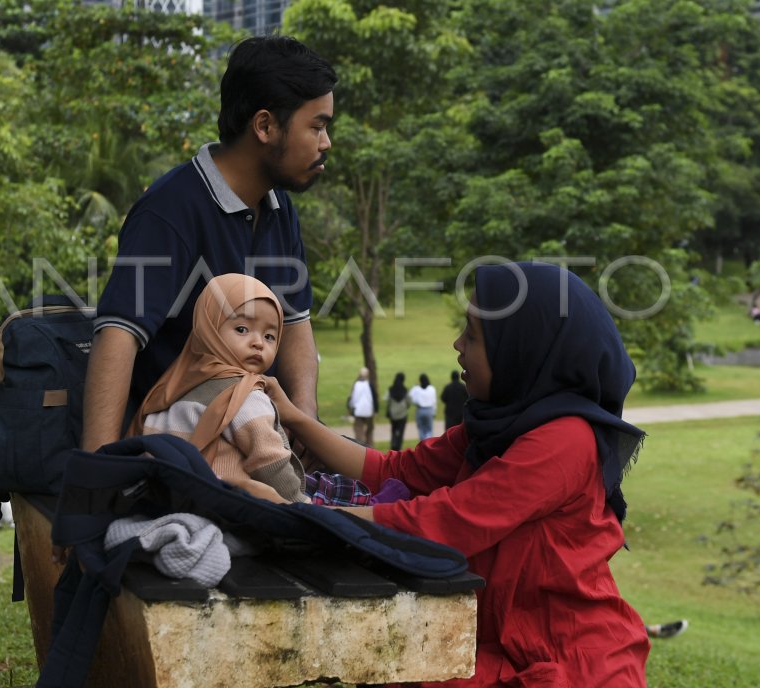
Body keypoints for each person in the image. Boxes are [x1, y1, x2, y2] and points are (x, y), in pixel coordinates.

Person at [263, 262, 650, 686]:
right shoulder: (497, 426)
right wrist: (294, 417)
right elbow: (396, 470)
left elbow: (447, 521)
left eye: (473, 335)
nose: (458, 344)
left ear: (518, 349)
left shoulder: (565, 441)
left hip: (573, 661)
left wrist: (297, 514)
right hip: (500, 647)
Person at [84, 36, 337, 452]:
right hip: (186, 448)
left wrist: (303, 424)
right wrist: (97, 473)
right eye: (317, 125)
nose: (326, 142)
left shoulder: (279, 207)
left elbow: (294, 322)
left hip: (256, 435)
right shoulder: (170, 209)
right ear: (265, 126)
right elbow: (118, 335)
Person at [128, 274, 307, 503]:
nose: (258, 342)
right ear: (208, 327)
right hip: (234, 509)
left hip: (171, 502)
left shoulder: (169, 389)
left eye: (270, 336)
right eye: (242, 329)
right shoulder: (246, 396)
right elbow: (271, 465)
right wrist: (303, 507)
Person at [348, 367, 376, 447]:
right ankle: (370, 445)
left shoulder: (356, 385)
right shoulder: (369, 385)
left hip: (359, 411)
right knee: (369, 429)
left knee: (358, 429)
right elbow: (374, 398)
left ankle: (360, 446)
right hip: (369, 411)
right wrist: (375, 410)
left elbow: (354, 398)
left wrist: (352, 408)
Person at [385, 372, 410, 451]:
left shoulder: (391, 389)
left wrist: (388, 410)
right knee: (400, 431)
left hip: (393, 414)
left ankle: (393, 445)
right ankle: (398, 446)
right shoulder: (405, 390)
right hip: (402, 414)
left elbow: (388, 401)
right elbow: (408, 401)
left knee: (393, 430)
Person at [409, 373, 437, 444]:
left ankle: (422, 443)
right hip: (429, 410)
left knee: (421, 429)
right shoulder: (431, 388)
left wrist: (414, 387)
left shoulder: (417, 389)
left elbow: (410, 396)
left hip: (420, 410)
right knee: (429, 429)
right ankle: (428, 444)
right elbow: (434, 401)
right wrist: (434, 412)